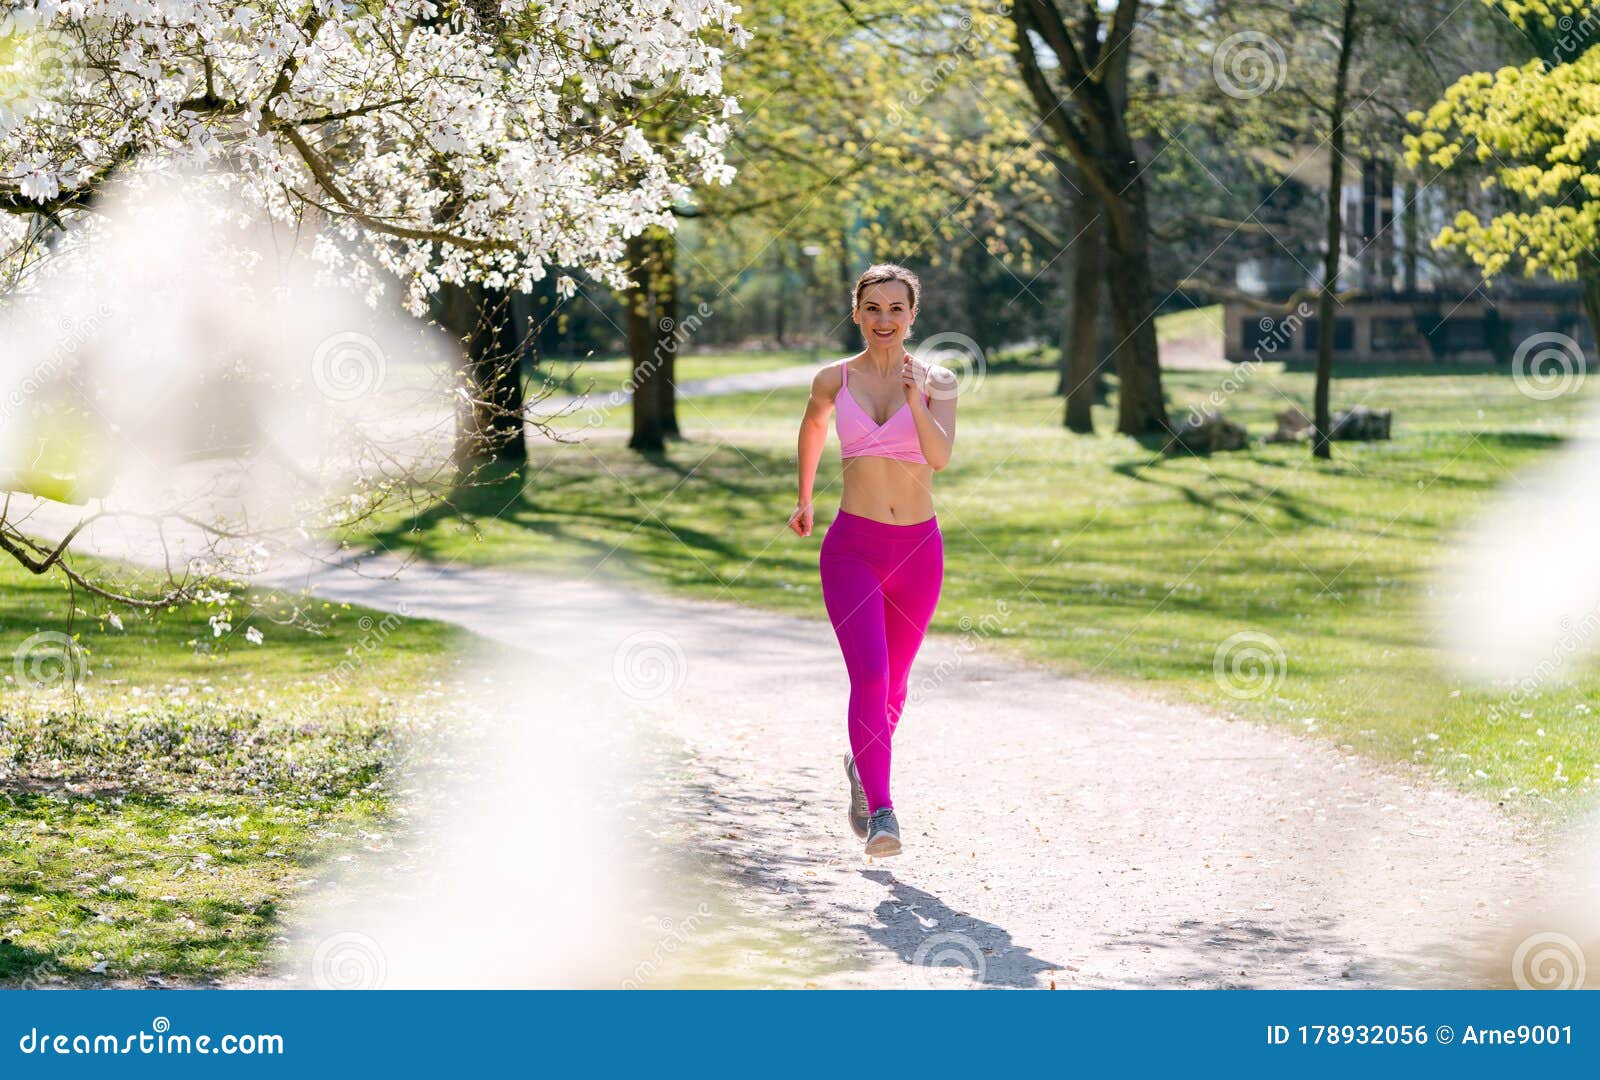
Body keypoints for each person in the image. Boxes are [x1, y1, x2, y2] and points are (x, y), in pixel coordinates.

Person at [787, 263, 959, 857]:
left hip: (918, 552)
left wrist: (915, 398)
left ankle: (862, 766)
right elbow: (812, 429)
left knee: (897, 686)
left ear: (913, 316)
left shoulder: (939, 380)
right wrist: (805, 497)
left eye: (896, 309)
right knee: (870, 675)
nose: (884, 320)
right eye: (873, 309)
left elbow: (939, 457)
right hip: (853, 548)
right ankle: (884, 813)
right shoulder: (834, 380)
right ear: (856, 313)